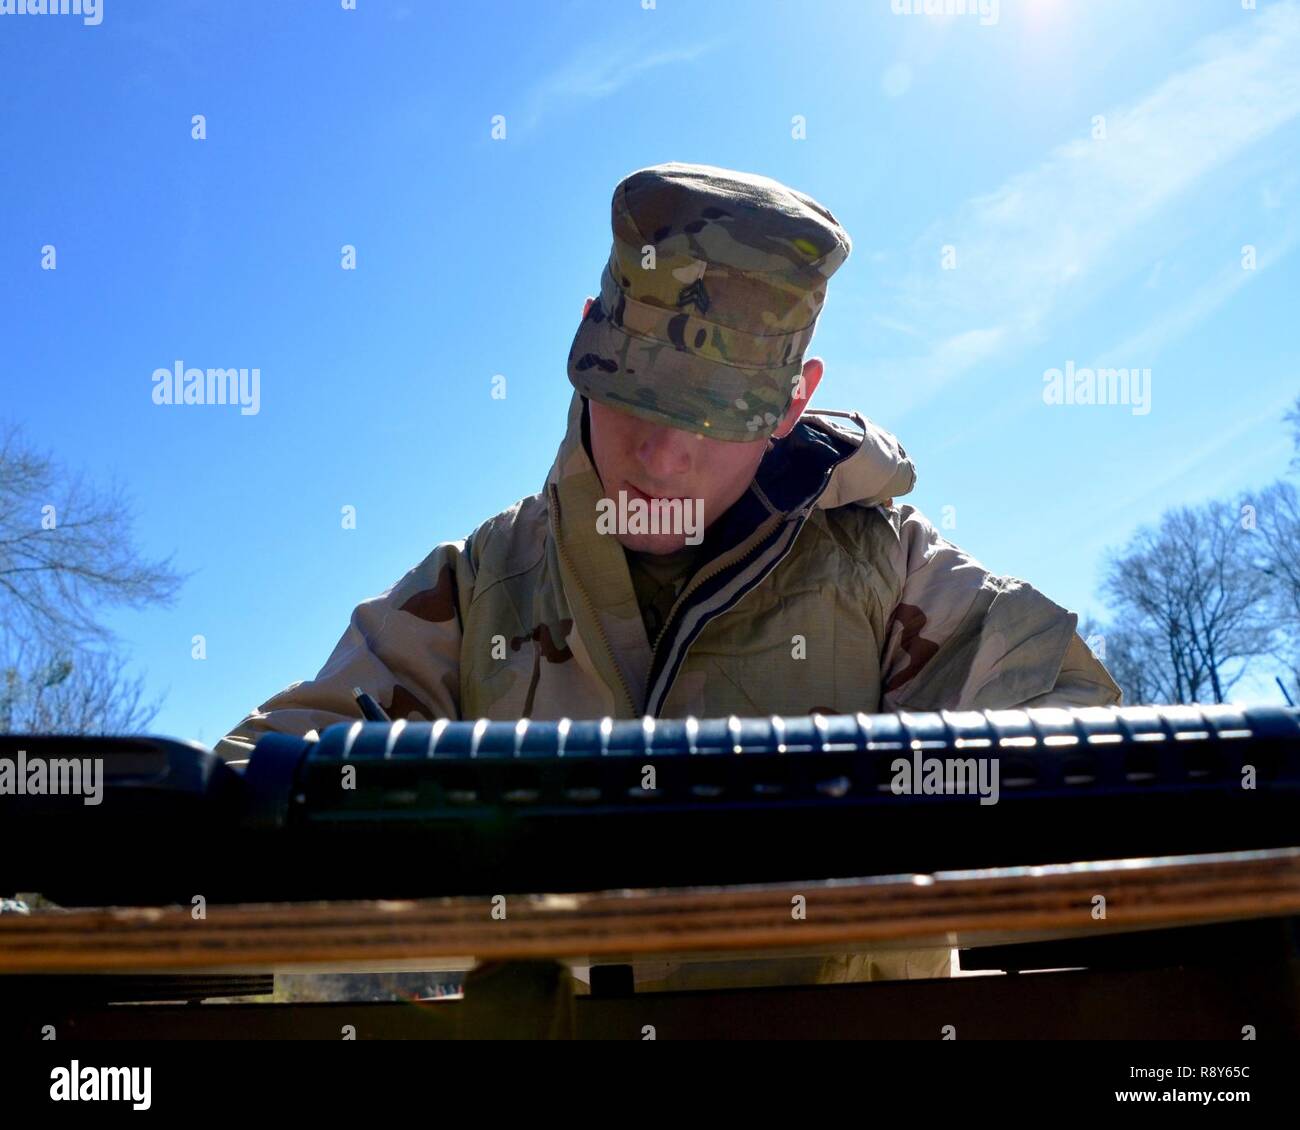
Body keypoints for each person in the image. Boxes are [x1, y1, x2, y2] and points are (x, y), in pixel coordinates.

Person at [215, 162, 1121, 986]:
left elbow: (1093, 747)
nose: (660, 453)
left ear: (792, 403)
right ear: (584, 343)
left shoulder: (886, 570)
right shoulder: (484, 580)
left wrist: (867, 813)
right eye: (632, 391)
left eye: (711, 414)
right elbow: (251, 781)